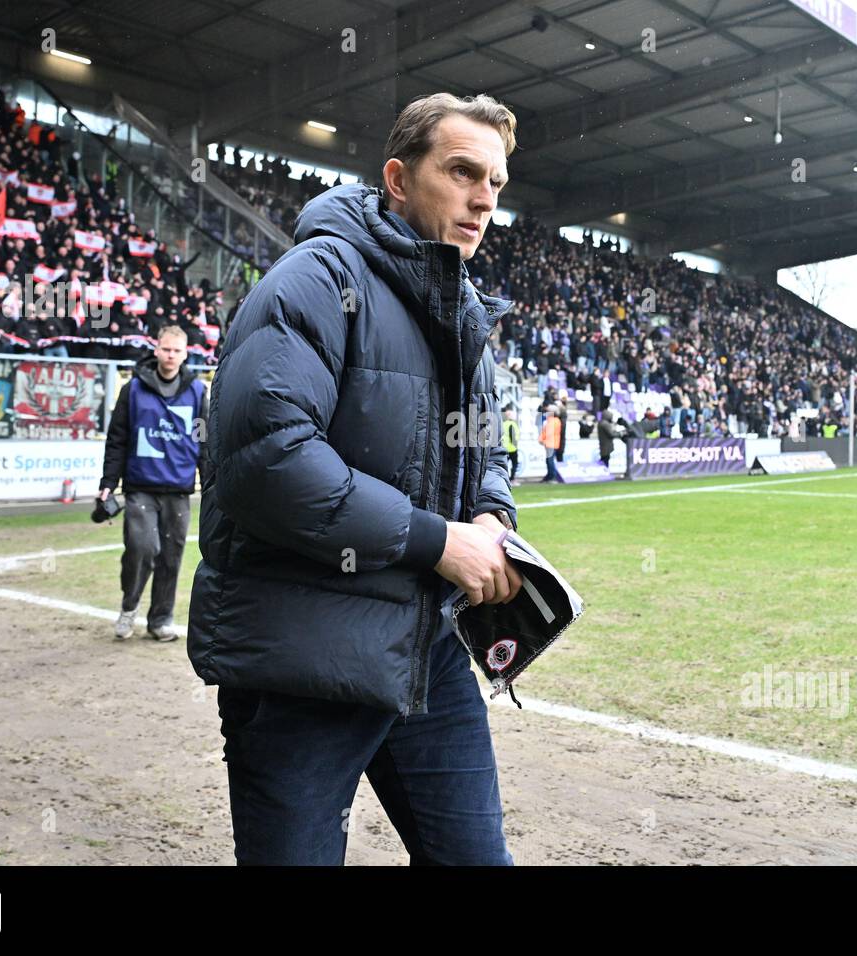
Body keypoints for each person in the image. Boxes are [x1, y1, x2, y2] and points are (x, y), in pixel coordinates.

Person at [188, 92, 523, 866]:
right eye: (464, 171)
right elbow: (267, 460)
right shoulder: (312, 279)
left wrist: (492, 517)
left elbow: (485, 449)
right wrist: (438, 542)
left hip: (424, 647)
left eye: (496, 183)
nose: (483, 198)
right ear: (399, 179)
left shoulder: (461, 307)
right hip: (306, 652)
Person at [98, 325, 208, 642]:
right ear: (156, 349)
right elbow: (117, 440)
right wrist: (108, 482)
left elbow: (204, 442)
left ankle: (160, 619)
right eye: (166, 349)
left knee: (171, 558)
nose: (171, 355)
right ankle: (129, 606)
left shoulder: (198, 392)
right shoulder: (132, 390)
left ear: (185, 354)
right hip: (140, 487)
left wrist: (211, 482)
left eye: (177, 350)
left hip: (179, 489)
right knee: (142, 548)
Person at [539, 403, 562, 482]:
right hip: (550, 443)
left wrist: (542, 439)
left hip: (551, 443)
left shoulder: (553, 421)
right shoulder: (552, 420)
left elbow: (548, 433)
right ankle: (550, 475)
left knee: (550, 460)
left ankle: (552, 476)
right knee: (549, 460)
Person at [501, 405, 519, 481]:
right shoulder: (511, 424)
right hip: (512, 448)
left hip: (504, 447)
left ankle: (505, 478)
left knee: (504, 465)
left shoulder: (503, 423)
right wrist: (515, 445)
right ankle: (512, 479)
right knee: (514, 464)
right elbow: (513, 436)